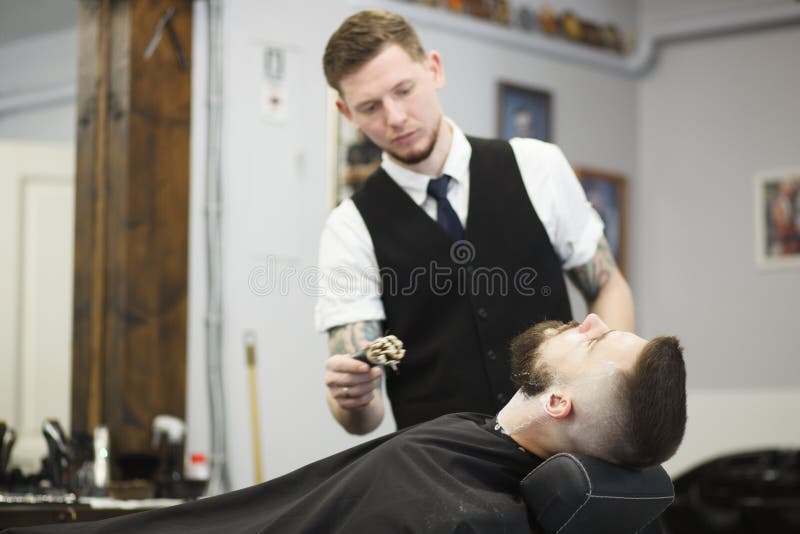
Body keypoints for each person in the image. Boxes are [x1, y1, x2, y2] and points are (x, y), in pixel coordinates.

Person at [3, 314, 687, 534]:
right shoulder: (475, 451)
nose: (590, 317)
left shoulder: (456, 513)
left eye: (597, 342)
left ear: (560, 404)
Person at [317, 9, 635, 435]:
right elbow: (362, 418)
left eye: (404, 90)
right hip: (440, 473)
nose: (394, 118)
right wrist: (351, 398)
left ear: (434, 69)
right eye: (370, 107)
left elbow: (607, 284)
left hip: (563, 445)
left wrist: (604, 386)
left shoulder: (536, 166)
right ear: (346, 112)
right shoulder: (350, 229)